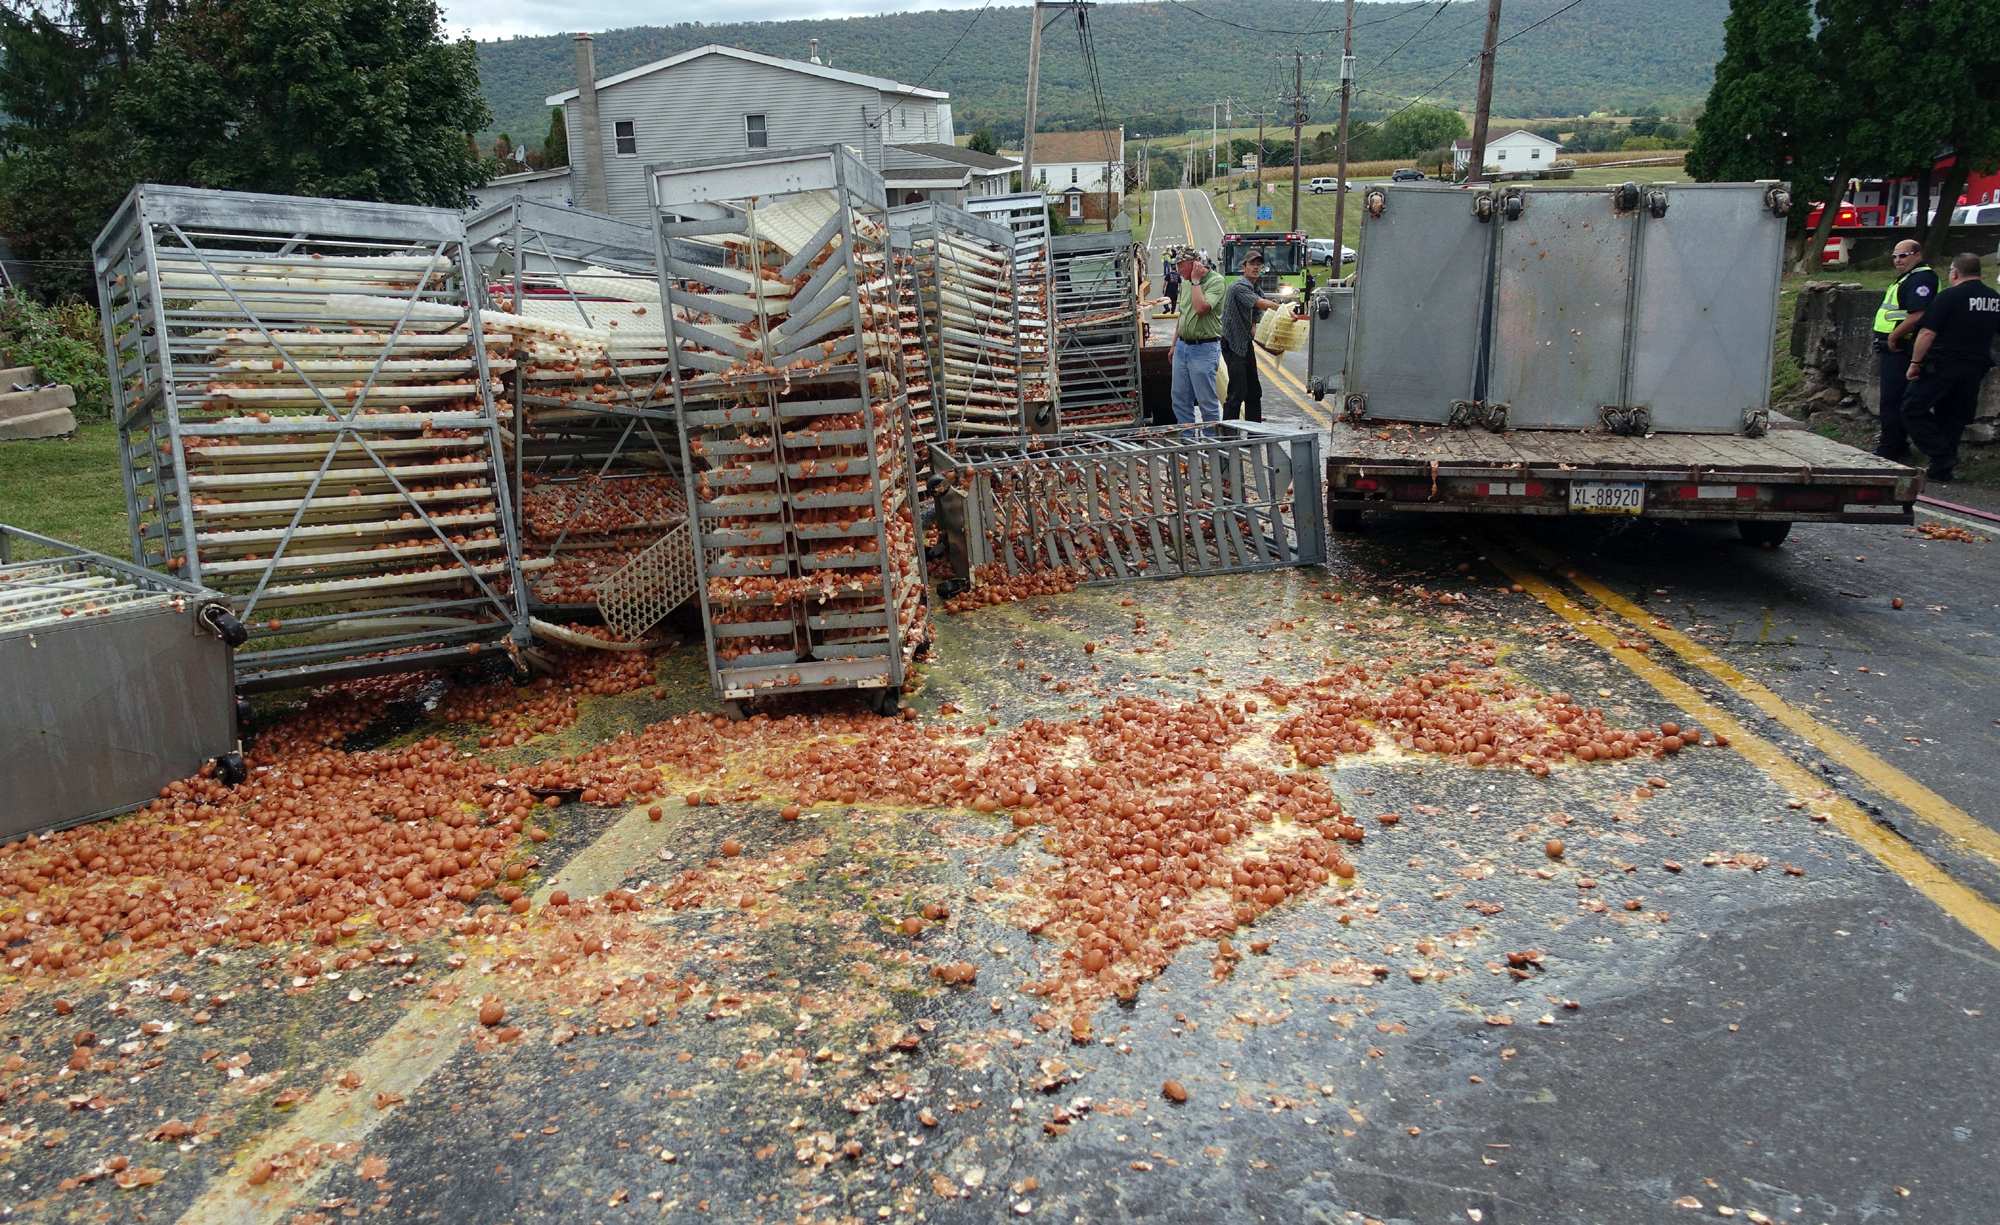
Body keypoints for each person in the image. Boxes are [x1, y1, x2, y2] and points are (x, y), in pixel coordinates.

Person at [1901, 252, 2000, 483]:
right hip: (1975, 367)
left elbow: (1927, 332)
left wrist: (1915, 363)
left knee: (1912, 409)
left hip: (1942, 365)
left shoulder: (1949, 297)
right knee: (1953, 416)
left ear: (1955, 272)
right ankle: (1941, 470)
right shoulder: (1994, 299)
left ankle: (1942, 455)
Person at [1872, 241, 1939, 460]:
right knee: (1892, 400)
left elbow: (1918, 314)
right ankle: (1894, 444)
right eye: (1894, 256)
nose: (1897, 260)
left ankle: (1892, 447)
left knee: (1893, 400)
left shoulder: (1922, 278)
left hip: (1902, 347)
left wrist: (1893, 336)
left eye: (1903, 255)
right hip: (1894, 346)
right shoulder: (1908, 277)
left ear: (1917, 254)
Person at [1220, 249, 1282, 423]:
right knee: (1237, 392)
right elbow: (1260, 304)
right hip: (1232, 344)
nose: (1256, 267)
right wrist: (1283, 309)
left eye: (1258, 264)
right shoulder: (1239, 287)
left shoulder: (1256, 289)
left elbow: (1253, 329)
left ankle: (1254, 433)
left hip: (1245, 344)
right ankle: (1228, 433)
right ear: (1244, 267)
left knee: (1254, 392)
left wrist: (1271, 348)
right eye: (1252, 264)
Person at [1168, 244, 1226, 425]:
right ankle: (1187, 437)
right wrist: (1174, 344)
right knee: (1180, 398)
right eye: (1176, 265)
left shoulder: (1215, 281)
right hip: (1183, 347)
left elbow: (1201, 309)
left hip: (1204, 348)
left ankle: (1211, 438)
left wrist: (1195, 282)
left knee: (1206, 401)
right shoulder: (1186, 282)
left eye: (1181, 265)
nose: (1178, 270)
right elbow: (1183, 314)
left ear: (1195, 263)